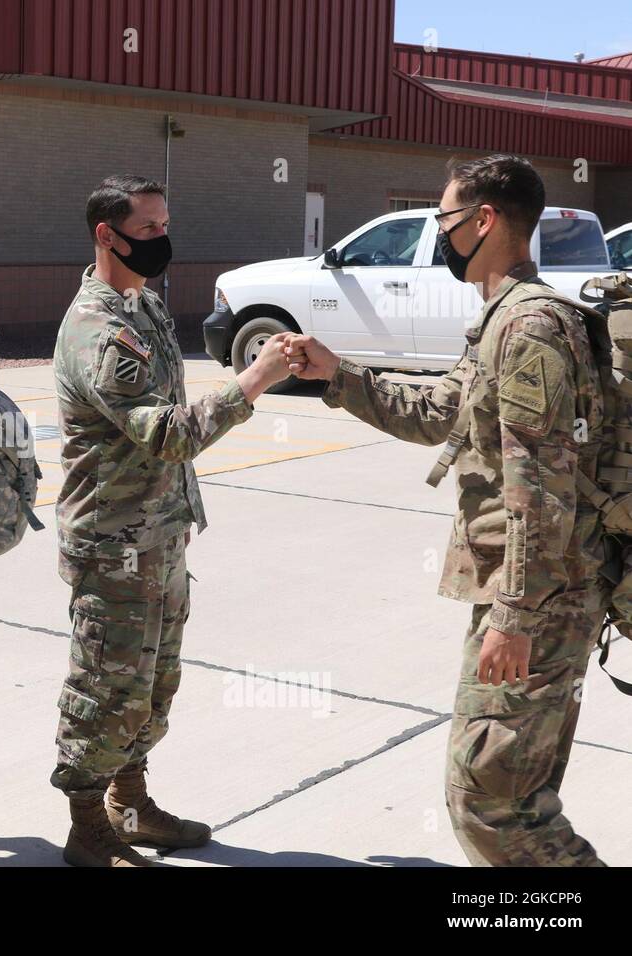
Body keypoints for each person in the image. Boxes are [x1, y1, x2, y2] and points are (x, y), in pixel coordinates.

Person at [284, 154, 607, 866]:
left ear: (484, 220)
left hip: (539, 599)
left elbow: (540, 486)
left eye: (444, 219)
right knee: (512, 794)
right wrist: (336, 372)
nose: (437, 233)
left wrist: (516, 618)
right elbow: (439, 414)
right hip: (531, 591)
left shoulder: (528, 328)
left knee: (491, 801)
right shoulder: (500, 320)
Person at [51, 174, 292, 867]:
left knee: (153, 683)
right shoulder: (99, 328)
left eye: (164, 224)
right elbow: (167, 434)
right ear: (107, 234)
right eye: (149, 229)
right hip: (113, 542)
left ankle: (129, 799)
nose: (163, 239)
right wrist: (252, 381)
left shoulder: (142, 306)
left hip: (158, 532)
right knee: (104, 686)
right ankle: (85, 826)